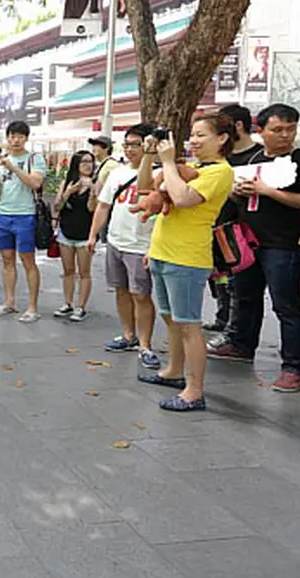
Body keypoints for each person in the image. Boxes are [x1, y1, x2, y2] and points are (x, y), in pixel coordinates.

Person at [206, 104, 300, 393]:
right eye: (277, 130)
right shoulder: (254, 158)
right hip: (248, 241)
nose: (285, 135)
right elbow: (235, 197)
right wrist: (236, 193)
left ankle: (294, 366)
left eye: (290, 129)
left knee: (286, 306)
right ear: (261, 131)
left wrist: (270, 192)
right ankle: (242, 345)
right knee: (245, 297)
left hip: (282, 244)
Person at [135, 114, 235, 412]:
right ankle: (174, 371)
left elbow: (181, 199)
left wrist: (167, 162)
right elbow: (144, 187)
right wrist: (150, 155)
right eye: (193, 134)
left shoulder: (220, 172)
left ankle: (194, 390)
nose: (194, 140)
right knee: (171, 318)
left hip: (188, 258)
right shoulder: (192, 168)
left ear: (222, 139)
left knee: (189, 326)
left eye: (202, 135)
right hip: (163, 252)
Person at [89, 124, 159, 369]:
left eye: (135, 144)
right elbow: (103, 206)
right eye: (126, 144)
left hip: (141, 244)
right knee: (121, 290)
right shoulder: (117, 173)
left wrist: (154, 247)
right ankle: (128, 335)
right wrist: (93, 235)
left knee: (141, 294)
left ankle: (146, 344)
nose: (129, 149)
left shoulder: (160, 173)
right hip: (116, 241)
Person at [204, 105, 264, 334]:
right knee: (219, 278)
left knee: (241, 284)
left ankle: (237, 333)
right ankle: (223, 317)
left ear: (237, 126)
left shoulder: (260, 156)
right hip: (216, 226)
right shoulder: (220, 158)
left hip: (244, 232)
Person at [0, 121, 47, 323]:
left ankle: (32, 306)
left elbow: (35, 183)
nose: (15, 140)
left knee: (28, 261)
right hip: (3, 214)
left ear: (26, 138)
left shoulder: (34, 159)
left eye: (20, 136)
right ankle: (9, 301)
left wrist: (13, 167)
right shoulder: (1, 162)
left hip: (26, 215)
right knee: (7, 260)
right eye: (12, 136)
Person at [54, 150, 96, 322]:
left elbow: (92, 209)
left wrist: (92, 190)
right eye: (83, 161)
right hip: (66, 231)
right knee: (68, 270)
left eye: (90, 161)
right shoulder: (67, 183)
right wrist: (68, 192)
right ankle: (68, 303)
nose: (87, 165)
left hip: (85, 233)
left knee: (84, 272)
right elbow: (57, 206)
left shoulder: (96, 183)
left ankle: (81, 306)